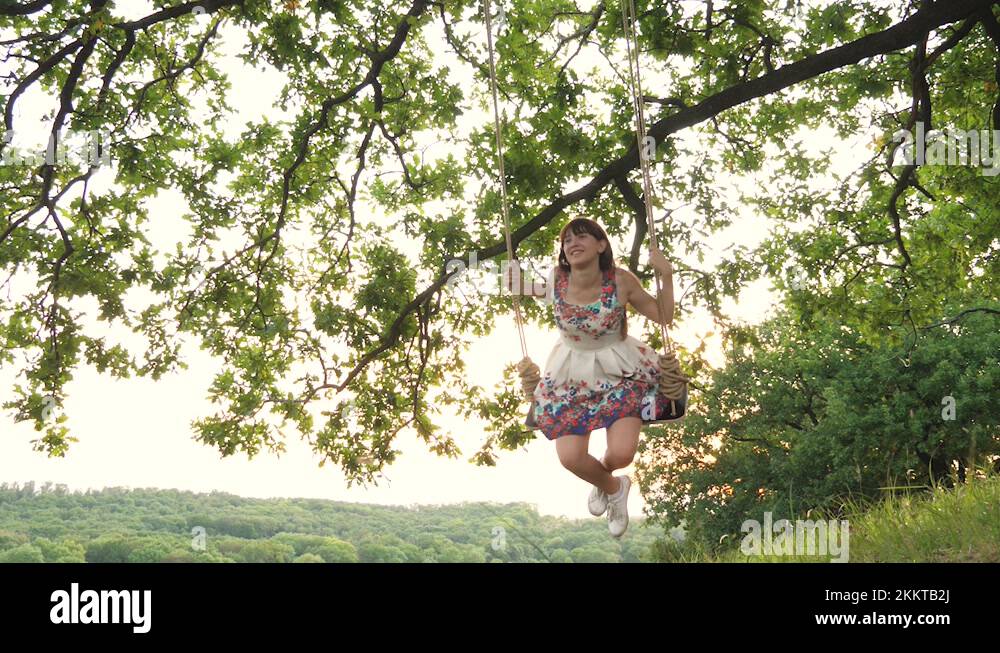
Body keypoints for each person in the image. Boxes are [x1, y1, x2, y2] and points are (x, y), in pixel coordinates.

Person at [505, 217, 675, 537]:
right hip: (569, 376)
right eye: (566, 240)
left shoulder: (621, 281)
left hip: (621, 371)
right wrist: (513, 280)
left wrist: (666, 275)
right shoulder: (558, 279)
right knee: (570, 458)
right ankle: (614, 488)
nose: (572, 243)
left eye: (581, 236)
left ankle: (606, 476)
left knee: (622, 454)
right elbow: (530, 288)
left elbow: (663, 316)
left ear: (601, 245)